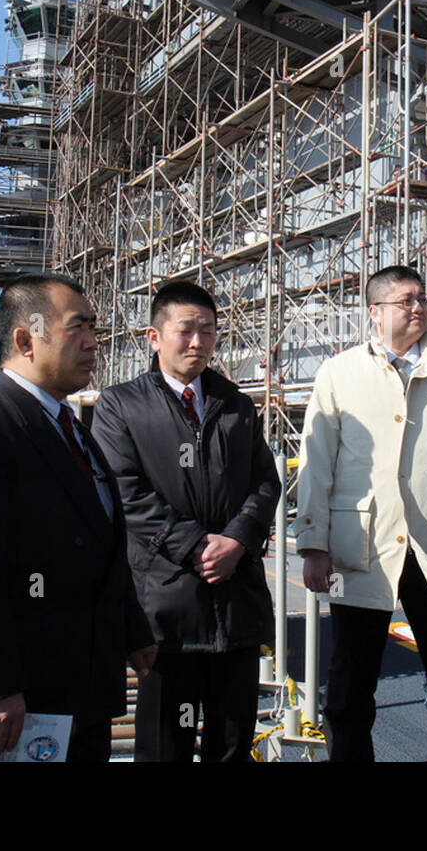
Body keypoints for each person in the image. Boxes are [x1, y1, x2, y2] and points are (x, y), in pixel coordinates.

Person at [296, 265, 427, 762]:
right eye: (405, 301)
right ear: (374, 312)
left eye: (422, 300)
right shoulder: (339, 373)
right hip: (360, 548)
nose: (418, 308)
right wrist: (313, 543)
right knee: (349, 686)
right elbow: (316, 463)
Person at [0, 274, 156, 761]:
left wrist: (131, 630)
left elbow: (101, 534)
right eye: (77, 328)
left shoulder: (70, 427)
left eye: (94, 328)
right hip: (29, 694)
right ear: (25, 339)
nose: (92, 343)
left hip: (85, 684)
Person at [92, 281, 280, 762]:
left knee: (233, 743)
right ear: (154, 337)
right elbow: (126, 491)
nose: (198, 342)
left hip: (236, 603)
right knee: (163, 746)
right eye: (186, 331)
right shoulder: (120, 406)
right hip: (166, 610)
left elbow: (264, 481)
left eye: (209, 331)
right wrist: (197, 547)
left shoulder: (235, 403)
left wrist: (237, 540)